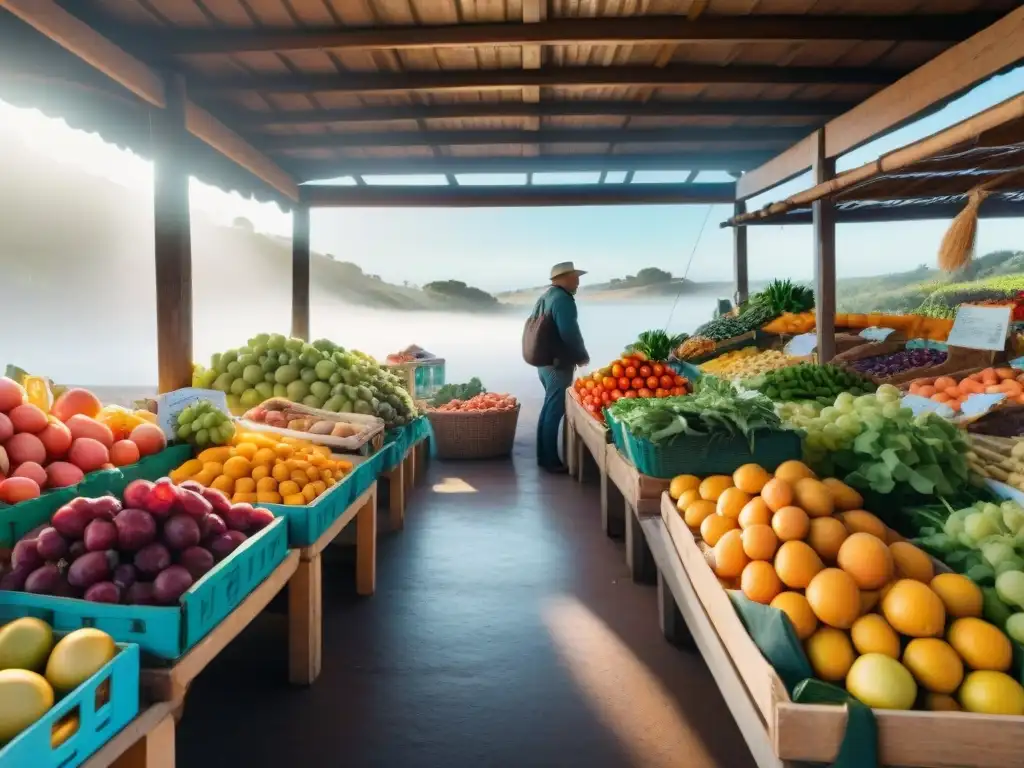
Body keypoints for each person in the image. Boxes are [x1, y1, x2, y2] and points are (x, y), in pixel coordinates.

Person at [532, 262, 589, 474]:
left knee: (548, 406)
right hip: (557, 364)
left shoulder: (545, 297)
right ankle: (551, 462)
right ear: (564, 278)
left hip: (542, 362)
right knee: (555, 410)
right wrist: (582, 356)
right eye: (575, 277)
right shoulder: (563, 300)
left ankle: (543, 456)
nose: (578, 282)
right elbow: (569, 333)